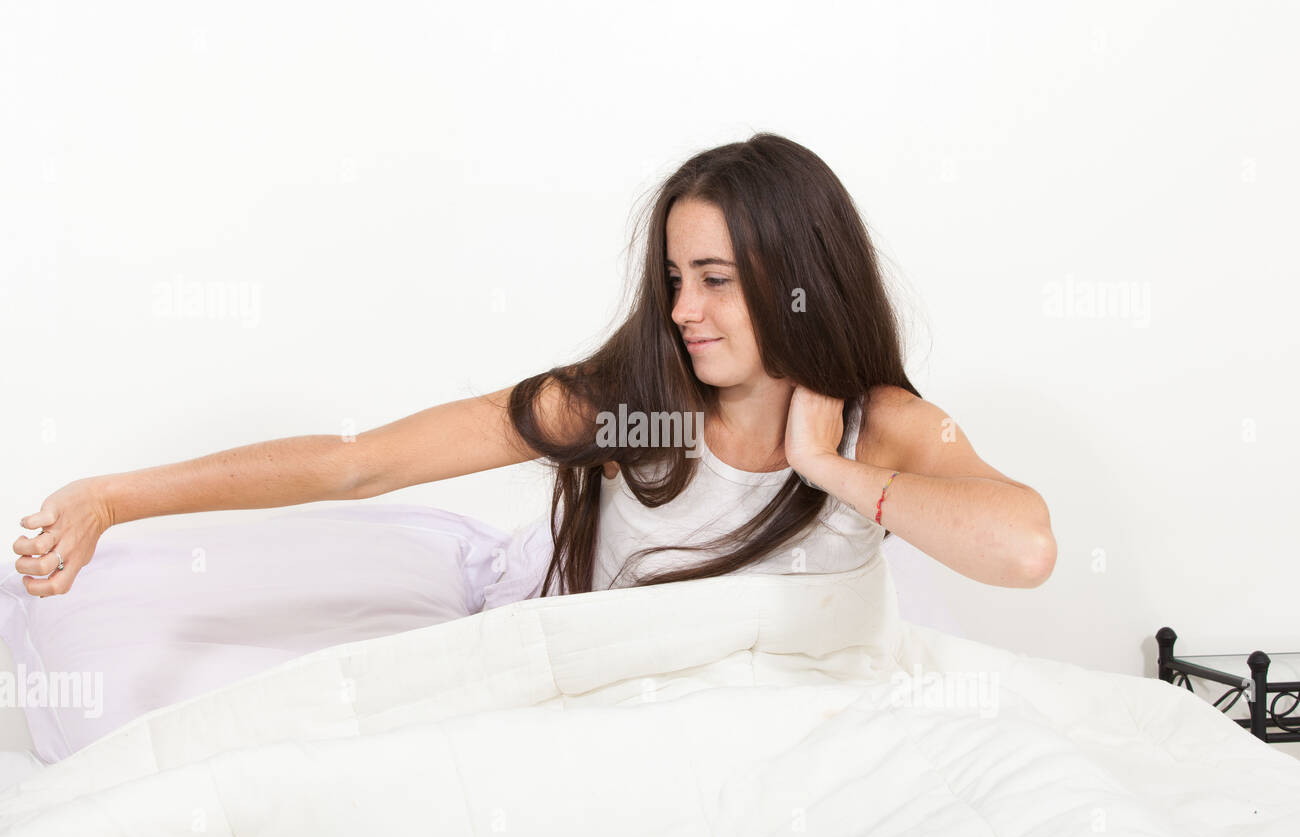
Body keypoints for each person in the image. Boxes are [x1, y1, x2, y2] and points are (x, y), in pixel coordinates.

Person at [13, 131, 1056, 610]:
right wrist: (114, 495)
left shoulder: (887, 428)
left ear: (801, 277)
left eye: (716, 280)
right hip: (551, 659)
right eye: (672, 278)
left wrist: (824, 468)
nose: (682, 311)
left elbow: (1024, 549)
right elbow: (357, 464)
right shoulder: (630, 408)